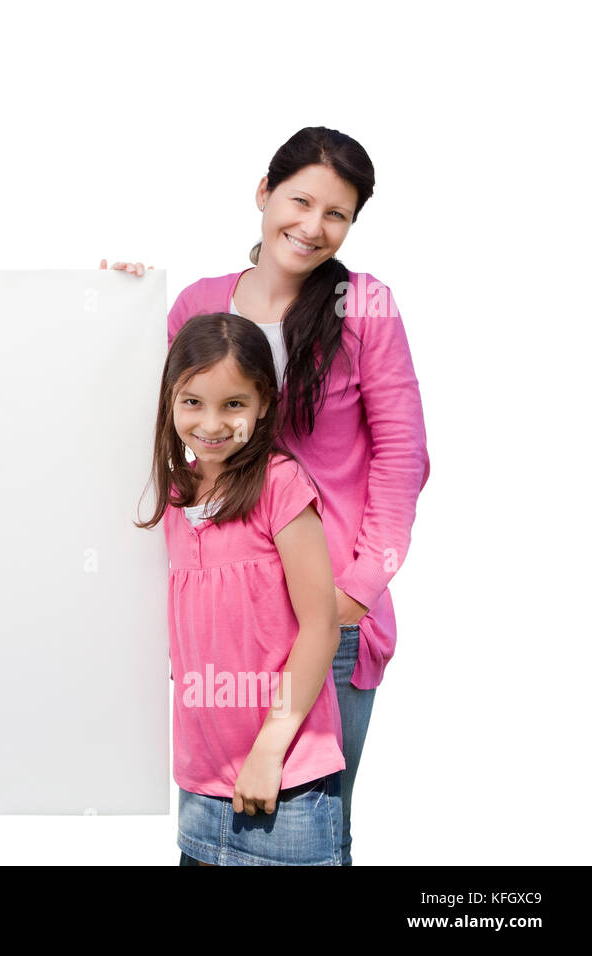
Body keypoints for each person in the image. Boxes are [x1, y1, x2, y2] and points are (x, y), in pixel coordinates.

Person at [116, 126, 431, 864]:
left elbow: (404, 455)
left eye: (337, 215)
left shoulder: (366, 306)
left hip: (331, 607)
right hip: (233, 609)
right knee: (227, 813)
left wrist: (359, 586)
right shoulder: (200, 301)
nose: (313, 226)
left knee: (319, 826)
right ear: (263, 194)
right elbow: (159, 412)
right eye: (300, 201)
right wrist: (116, 302)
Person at [138, 312, 345, 865]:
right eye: (192, 402)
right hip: (201, 783)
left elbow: (321, 627)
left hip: (286, 777)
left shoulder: (280, 485)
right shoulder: (174, 495)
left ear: (263, 405)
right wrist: (120, 292)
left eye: (234, 404)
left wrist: (269, 750)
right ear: (169, 401)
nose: (212, 423)